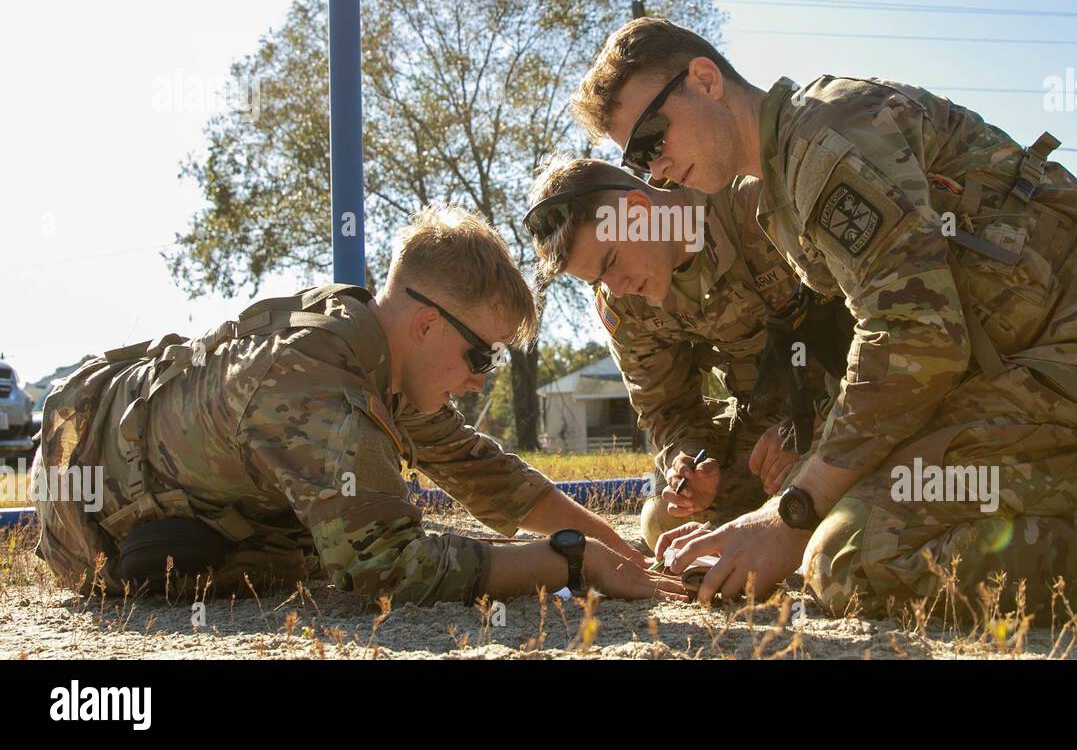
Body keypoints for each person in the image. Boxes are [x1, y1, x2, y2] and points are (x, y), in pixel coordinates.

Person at [565, 17, 1077, 619]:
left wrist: (787, 514)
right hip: (1044, 380)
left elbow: (916, 340)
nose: (653, 170)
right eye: (637, 161)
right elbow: (879, 353)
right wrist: (806, 468)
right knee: (848, 512)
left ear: (703, 79)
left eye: (651, 140)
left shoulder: (827, 139)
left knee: (851, 555)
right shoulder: (780, 187)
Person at [35, 203, 683, 605]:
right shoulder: (318, 390)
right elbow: (391, 571)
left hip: (135, 437)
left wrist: (619, 551)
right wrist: (570, 563)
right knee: (309, 559)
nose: (477, 383)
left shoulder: (376, 345)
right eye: (479, 357)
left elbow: (481, 470)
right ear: (427, 325)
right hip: (80, 496)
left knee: (302, 547)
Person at [526, 156, 850, 547]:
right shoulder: (623, 303)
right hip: (764, 420)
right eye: (598, 278)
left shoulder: (754, 207)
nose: (618, 285)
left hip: (857, 400)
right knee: (664, 522)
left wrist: (813, 422)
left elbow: (885, 329)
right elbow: (665, 407)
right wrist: (690, 463)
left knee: (829, 528)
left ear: (638, 212)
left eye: (611, 262)